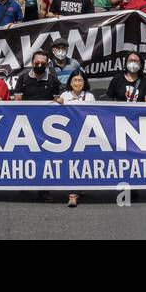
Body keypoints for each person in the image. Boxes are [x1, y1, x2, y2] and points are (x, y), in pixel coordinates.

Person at [56, 71, 94, 207]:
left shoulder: (90, 96)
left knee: (83, 162)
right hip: (68, 135)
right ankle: (72, 195)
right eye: (75, 80)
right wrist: (57, 102)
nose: (77, 83)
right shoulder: (65, 95)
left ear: (85, 83)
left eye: (80, 81)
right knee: (71, 162)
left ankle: (80, 187)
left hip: (85, 135)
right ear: (70, 82)